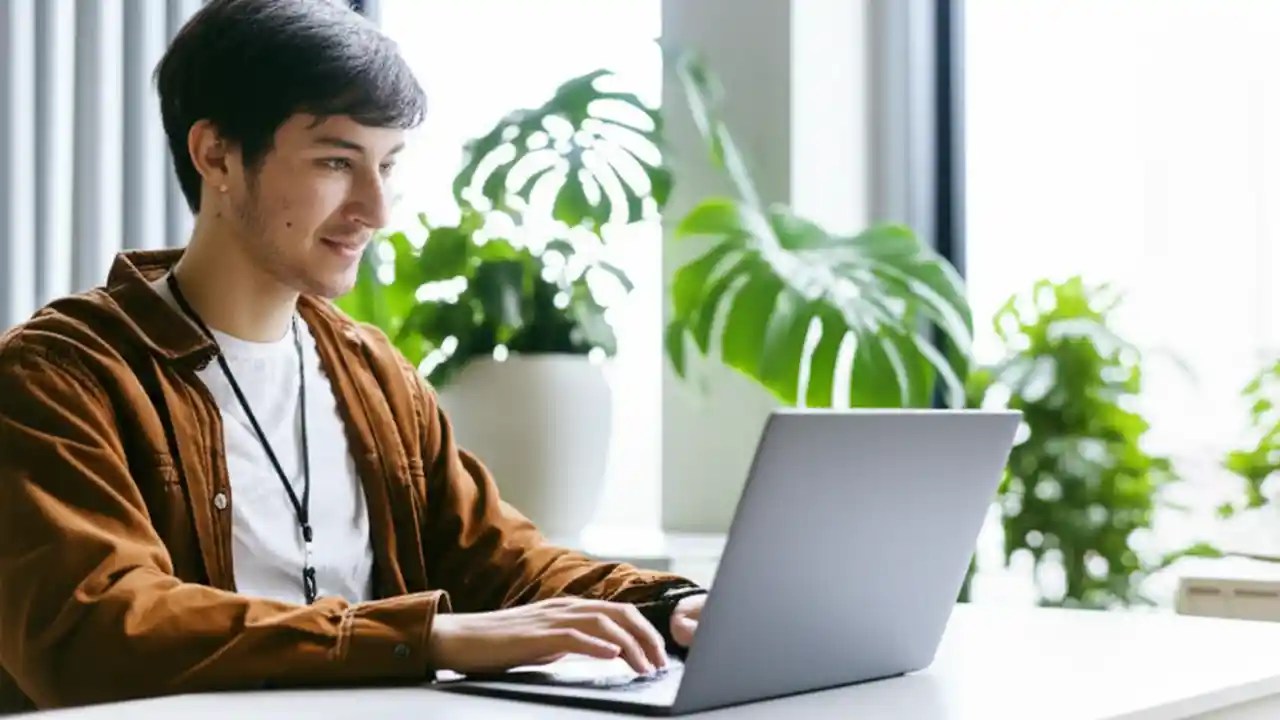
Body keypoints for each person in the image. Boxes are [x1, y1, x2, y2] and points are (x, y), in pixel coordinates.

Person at [0, 0, 705, 712]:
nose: (377, 207)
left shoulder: (369, 371)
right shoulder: (59, 377)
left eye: (388, 164)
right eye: (337, 161)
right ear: (215, 154)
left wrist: (662, 604)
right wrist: (427, 637)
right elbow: (97, 629)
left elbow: (501, 560)